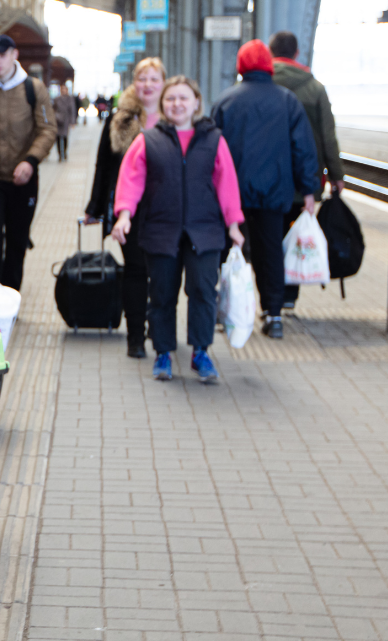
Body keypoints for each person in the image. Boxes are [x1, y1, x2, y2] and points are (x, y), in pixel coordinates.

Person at [111, 76, 245, 383]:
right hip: (160, 228)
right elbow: (131, 181)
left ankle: (201, 352)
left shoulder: (214, 140)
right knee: (162, 294)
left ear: (197, 103)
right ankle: (163, 352)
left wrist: (234, 224)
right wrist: (124, 215)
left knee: (202, 291)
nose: (177, 104)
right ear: (162, 104)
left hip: (206, 230)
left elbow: (227, 185)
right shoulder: (147, 140)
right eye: (171, 99)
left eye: (184, 98)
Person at [211, 39, 319, 339]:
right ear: (269, 65)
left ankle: (224, 310)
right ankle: (273, 315)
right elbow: (303, 149)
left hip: (233, 193)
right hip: (274, 193)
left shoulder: (225, 100)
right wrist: (309, 190)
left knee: (228, 249)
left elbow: (211, 150)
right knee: (270, 252)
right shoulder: (287, 100)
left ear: (241, 66)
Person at [85, 57, 167, 358]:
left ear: (163, 83)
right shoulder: (120, 118)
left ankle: (159, 329)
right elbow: (104, 164)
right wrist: (94, 206)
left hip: (165, 209)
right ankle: (135, 336)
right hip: (128, 209)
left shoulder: (175, 118)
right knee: (135, 269)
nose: (147, 85)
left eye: (153, 79)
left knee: (162, 273)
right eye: (142, 79)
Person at [0, 33, 57, 289]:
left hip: (24, 178)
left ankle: (11, 293)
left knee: (18, 240)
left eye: (3, 55)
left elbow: (47, 128)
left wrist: (30, 161)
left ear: (14, 55)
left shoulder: (33, 88)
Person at [270, 30, 345, 310]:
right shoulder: (315, 88)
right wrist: (337, 175)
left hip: (270, 177)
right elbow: (328, 136)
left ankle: (272, 295)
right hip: (306, 179)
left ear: (270, 52)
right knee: (296, 232)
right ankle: (289, 295)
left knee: (271, 235)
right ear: (297, 54)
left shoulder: (265, 84)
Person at [52, 82, 77, 162]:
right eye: (62, 89)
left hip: (65, 121)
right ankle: (59, 154)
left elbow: (72, 110)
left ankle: (65, 152)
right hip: (58, 120)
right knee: (58, 137)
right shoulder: (57, 99)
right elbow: (53, 109)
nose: (63, 91)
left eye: (64, 89)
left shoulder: (70, 99)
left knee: (65, 137)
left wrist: (72, 121)